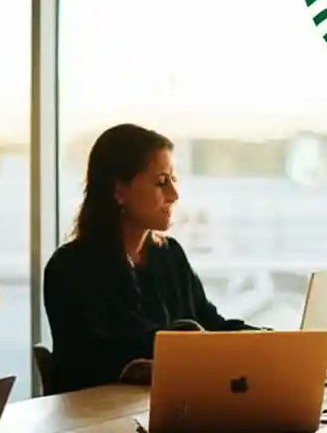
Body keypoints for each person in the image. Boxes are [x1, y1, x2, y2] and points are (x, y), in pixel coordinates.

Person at [44, 123, 262, 394]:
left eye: (173, 180)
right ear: (119, 190)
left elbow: (212, 325)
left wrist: (274, 343)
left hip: (166, 409)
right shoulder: (69, 269)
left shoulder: (170, 256)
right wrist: (188, 341)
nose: (174, 194)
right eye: (161, 182)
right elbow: (98, 356)